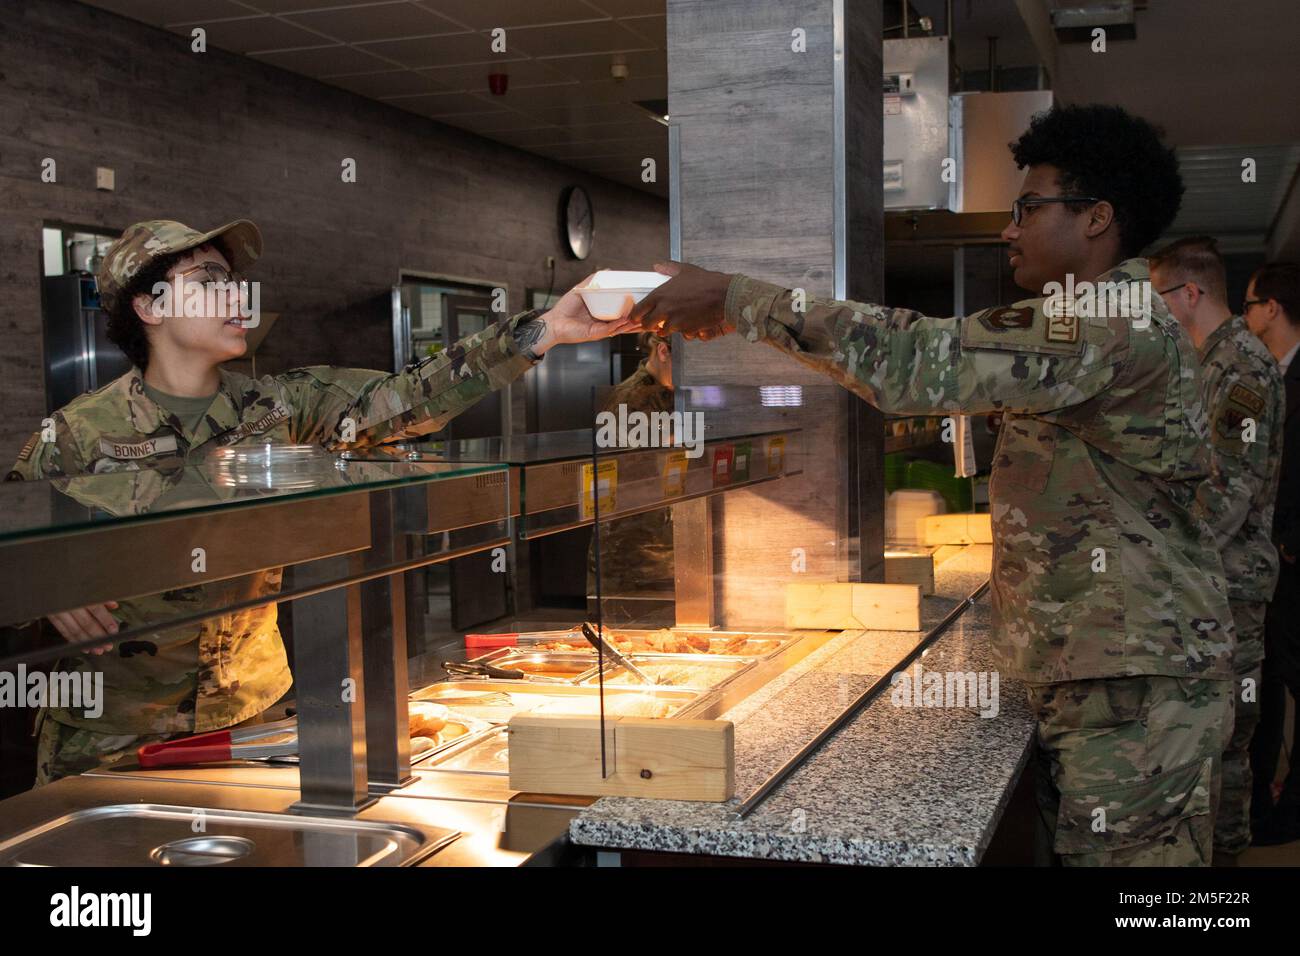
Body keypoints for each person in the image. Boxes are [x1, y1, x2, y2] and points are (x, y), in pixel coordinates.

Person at [632, 104, 1235, 865]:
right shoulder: (1097, 320)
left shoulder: (1106, 321)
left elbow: (916, 360)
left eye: (1029, 208)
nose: (1009, 230)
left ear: (1097, 219)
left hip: (1137, 685)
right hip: (1105, 674)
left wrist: (733, 297)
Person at [7, 218, 636, 784]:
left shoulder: (283, 407)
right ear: (148, 306)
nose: (237, 295)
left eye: (235, 280)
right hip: (109, 735)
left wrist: (545, 331)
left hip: (255, 719)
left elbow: (410, 396)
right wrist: (48, 589)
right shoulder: (77, 435)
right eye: (209, 280)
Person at [1149, 237, 1284, 860]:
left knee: (1227, 738)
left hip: (1228, 584)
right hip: (1211, 581)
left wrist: (1166, 557)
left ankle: (1222, 873)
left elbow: (1231, 489)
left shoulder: (1242, 366)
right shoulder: (1210, 359)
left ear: (1189, 294)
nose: (1154, 315)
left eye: (1158, 300)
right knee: (1210, 736)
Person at [1242, 262, 1300, 845]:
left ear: (1273, 309)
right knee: (1275, 674)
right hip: (1275, 554)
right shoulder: (1271, 375)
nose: (1245, 316)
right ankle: (1267, 803)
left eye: (1251, 304)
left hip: (1290, 555)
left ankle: (1287, 813)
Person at [588, 332, 675, 618]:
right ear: (663, 352)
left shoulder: (672, 394)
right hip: (631, 556)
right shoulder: (630, 400)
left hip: (664, 551)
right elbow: (622, 481)